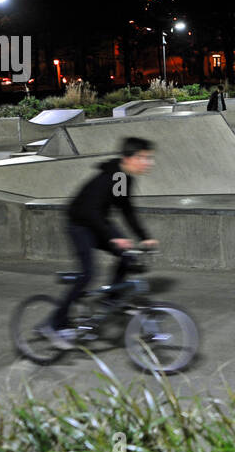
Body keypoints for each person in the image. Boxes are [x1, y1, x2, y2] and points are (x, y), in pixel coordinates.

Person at [44, 137, 159, 349]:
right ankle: (55, 324)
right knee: (88, 273)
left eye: (150, 158)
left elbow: (126, 210)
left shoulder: (123, 178)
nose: (148, 163)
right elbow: (89, 211)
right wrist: (112, 237)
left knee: (128, 257)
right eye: (143, 158)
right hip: (79, 224)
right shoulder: (109, 177)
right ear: (128, 158)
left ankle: (109, 300)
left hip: (97, 222)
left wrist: (143, 237)